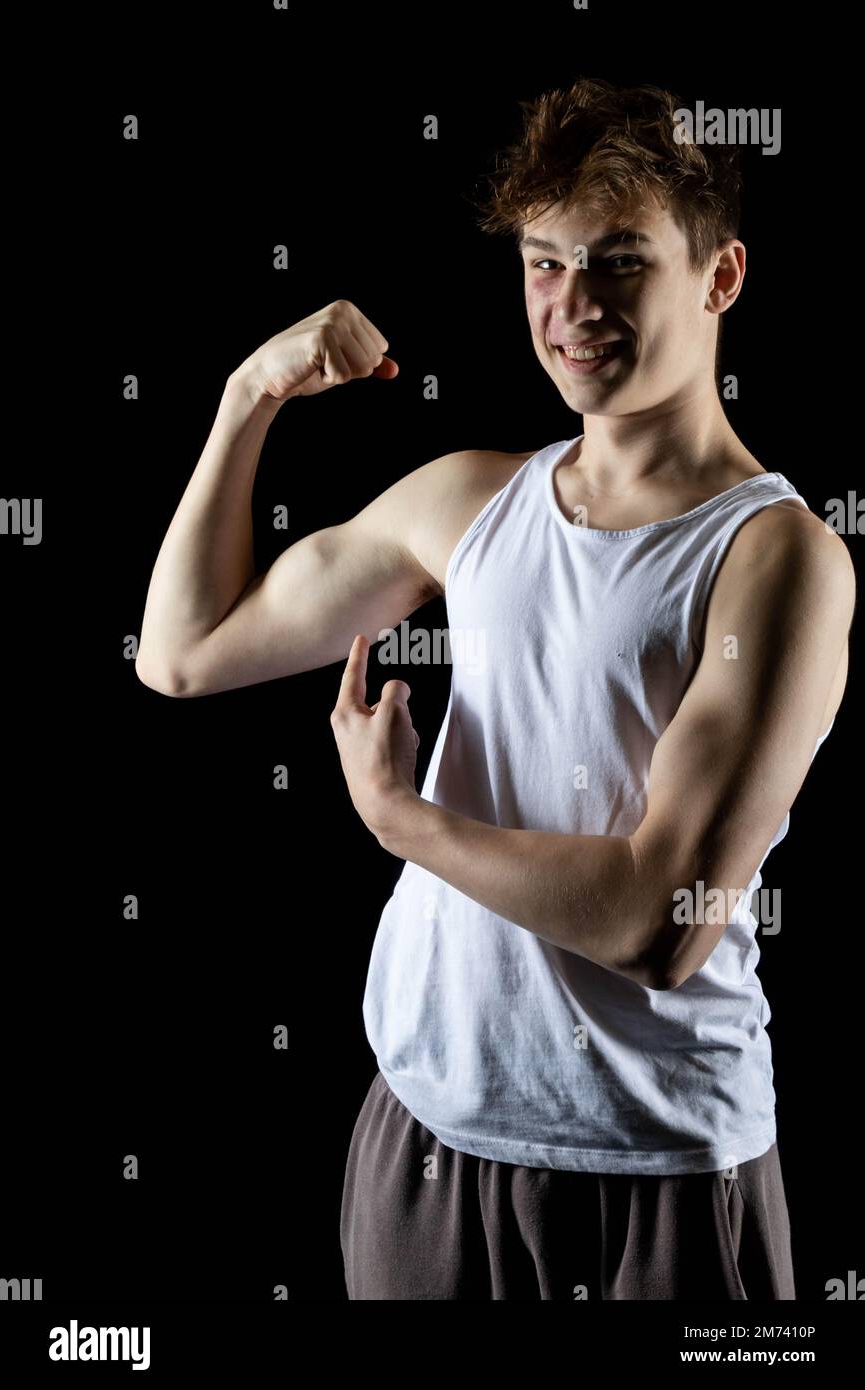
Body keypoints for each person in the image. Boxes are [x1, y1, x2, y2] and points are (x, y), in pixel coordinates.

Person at [136, 78, 855, 1300]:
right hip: (425, 1133)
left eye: (617, 263)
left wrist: (397, 820)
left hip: (660, 1168)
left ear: (717, 279)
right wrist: (247, 395)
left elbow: (659, 921)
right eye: (542, 262)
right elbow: (183, 650)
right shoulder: (471, 500)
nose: (569, 307)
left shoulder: (774, 557)